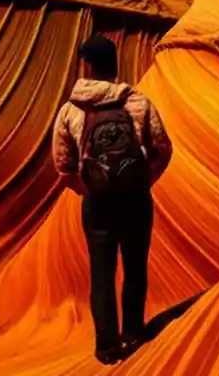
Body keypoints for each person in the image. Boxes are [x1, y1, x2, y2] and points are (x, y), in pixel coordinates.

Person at [51, 34, 172, 365]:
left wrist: (88, 188)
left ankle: (106, 346)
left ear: (87, 66)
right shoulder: (137, 102)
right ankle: (133, 334)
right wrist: (142, 181)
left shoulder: (70, 110)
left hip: (98, 204)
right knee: (135, 268)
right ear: (114, 64)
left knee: (101, 272)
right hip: (135, 199)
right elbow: (163, 148)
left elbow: (63, 166)